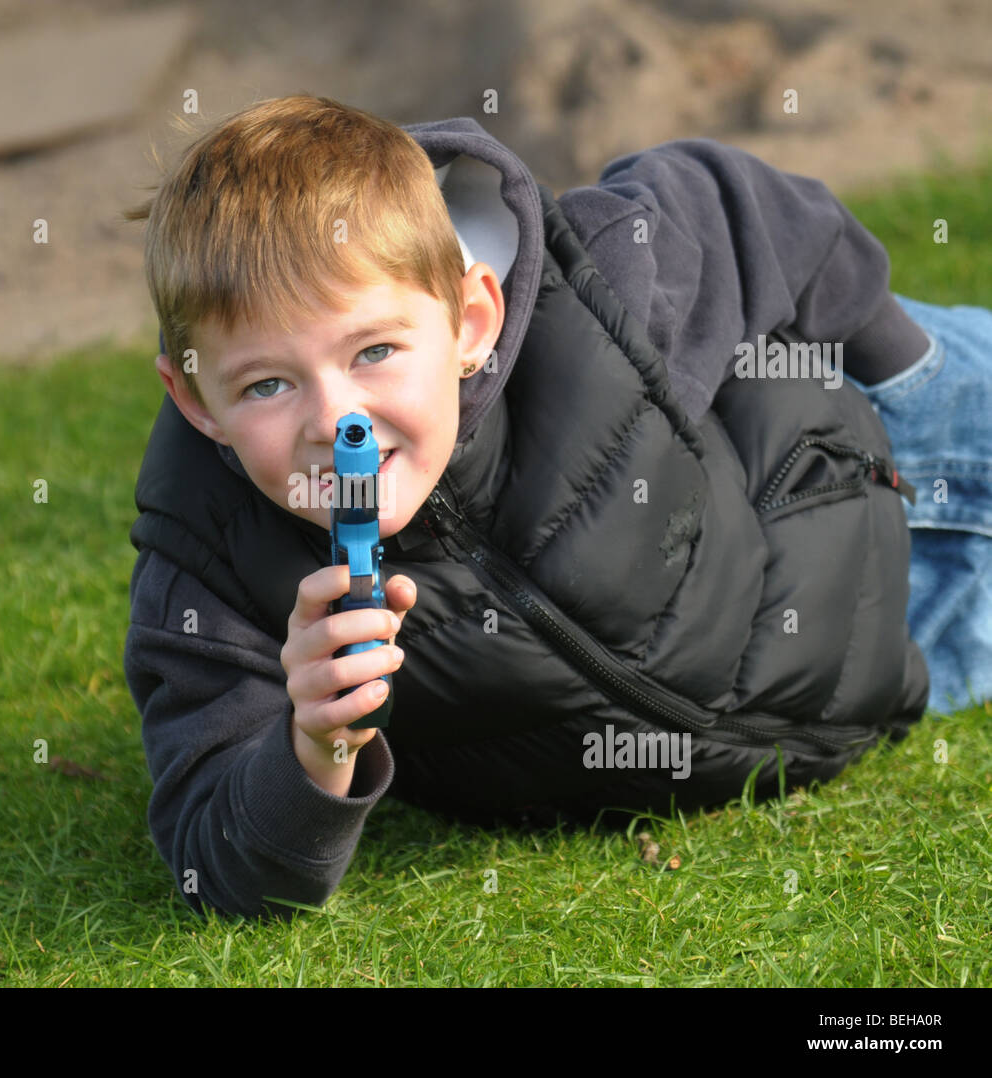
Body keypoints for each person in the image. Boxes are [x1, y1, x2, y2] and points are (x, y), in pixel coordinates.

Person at [122, 94, 992, 920]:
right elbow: (221, 862)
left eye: (376, 349)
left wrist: (917, 382)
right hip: (907, 647)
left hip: (899, 451)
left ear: (470, 321)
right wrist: (316, 747)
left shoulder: (592, 289)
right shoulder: (210, 571)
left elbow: (751, 208)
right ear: (197, 401)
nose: (334, 420)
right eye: (268, 384)